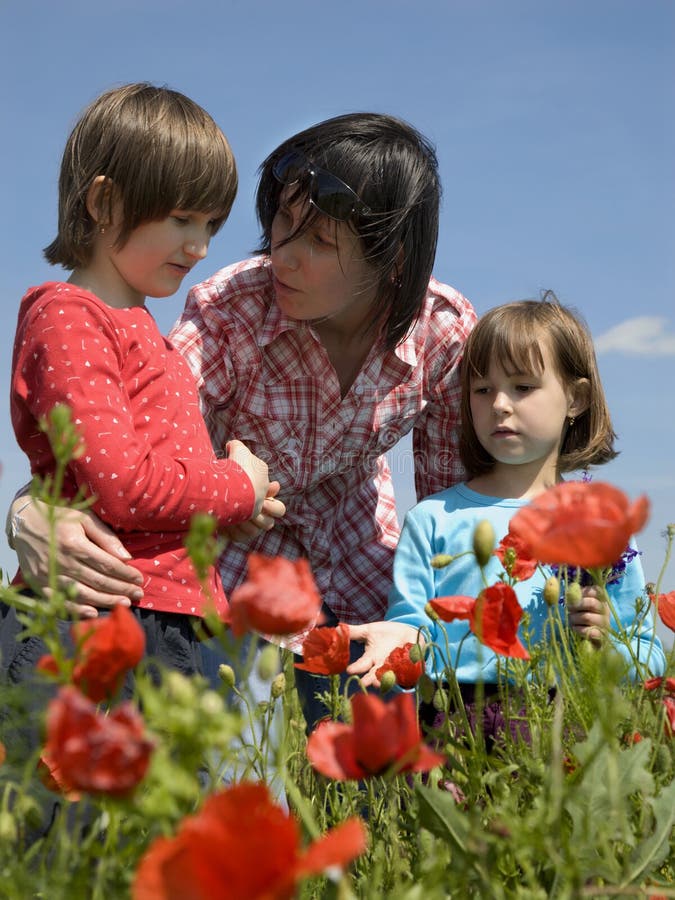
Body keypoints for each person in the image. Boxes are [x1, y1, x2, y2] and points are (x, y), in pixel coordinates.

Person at [6, 111, 476, 724]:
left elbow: (456, 515)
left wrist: (426, 629)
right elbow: (124, 451)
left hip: (365, 572)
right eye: (282, 221)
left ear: (392, 260)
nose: (283, 255)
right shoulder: (228, 310)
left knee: (381, 788)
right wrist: (29, 507)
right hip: (233, 585)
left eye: (319, 242)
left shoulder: (444, 332)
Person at [2, 83, 284, 685]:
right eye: (182, 218)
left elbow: (144, 484)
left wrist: (231, 511)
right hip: (98, 623)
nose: (201, 246)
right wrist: (237, 487)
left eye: (211, 223)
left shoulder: (145, 331)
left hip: (167, 618)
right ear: (104, 203)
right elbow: (124, 487)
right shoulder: (70, 316)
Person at [346, 298, 666, 702]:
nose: (499, 404)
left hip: (566, 724)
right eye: (482, 389)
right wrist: (400, 640)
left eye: (523, 387)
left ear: (576, 399)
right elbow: (412, 631)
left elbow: (648, 657)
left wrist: (610, 641)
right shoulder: (433, 519)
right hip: (457, 725)